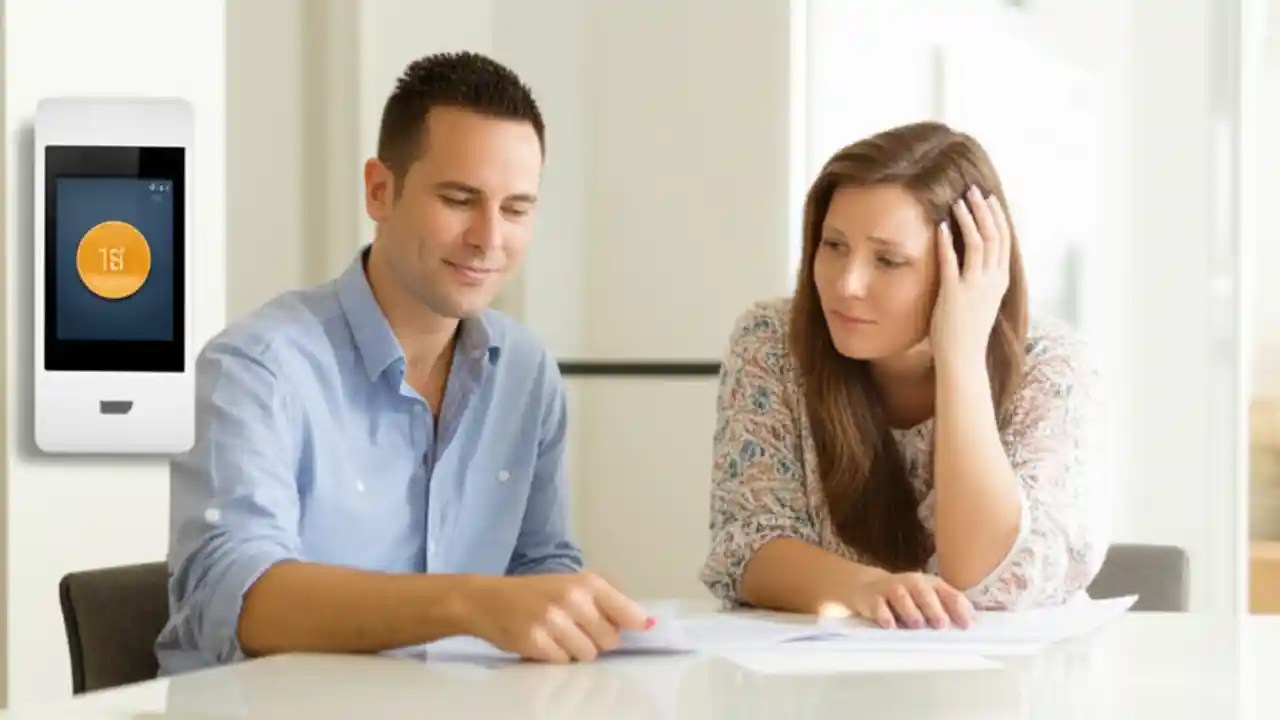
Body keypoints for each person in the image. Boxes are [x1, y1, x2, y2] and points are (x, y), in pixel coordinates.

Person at [156, 51, 653, 673]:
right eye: (458, 199)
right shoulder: (258, 367)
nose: (489, 238)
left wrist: (573, 617)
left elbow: (538, 567)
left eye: (517, 209)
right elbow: (239, 600)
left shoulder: (525, 373)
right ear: (379, 190)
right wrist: (471, 602)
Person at [700, 121, 1109, 630]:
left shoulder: (1050, 366)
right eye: (833, 246)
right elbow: (749, 546)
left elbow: (983, 578)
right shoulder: (772, 341)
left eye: (889, 260)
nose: (846, 284)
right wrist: (866, 587)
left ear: (967, 264)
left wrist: (960, 356)